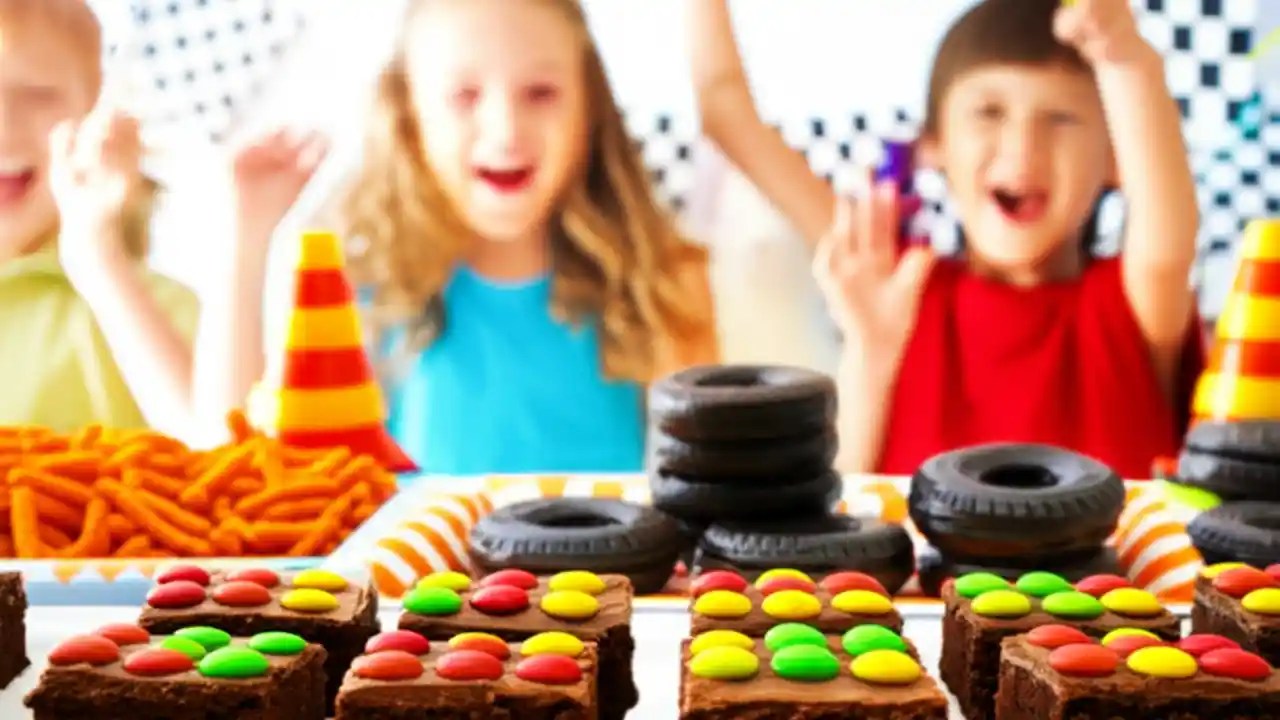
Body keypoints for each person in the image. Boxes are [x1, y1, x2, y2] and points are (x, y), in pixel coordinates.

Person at [201, 0, 718, 475]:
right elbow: (240, 467)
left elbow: (701, 484)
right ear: (409, 115)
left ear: (590, 108)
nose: (506, 130)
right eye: (464, 96)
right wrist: (247, 239)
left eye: (541, 93)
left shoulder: (660, 283)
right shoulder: (364, 290)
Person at [691, 0, 1203, 479]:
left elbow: (1167, 228)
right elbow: (726, 112)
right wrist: (869, 349)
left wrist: (1124, 57)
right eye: (989, 112)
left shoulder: (1134, 303)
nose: (1022, 149)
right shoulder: (894, 289)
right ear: (932, 144)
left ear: (1115, 159)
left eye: (1060, 119)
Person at [0, 0, 198, 434]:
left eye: (38, 95)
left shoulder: (147, 308)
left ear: (93, 117)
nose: (5, 130)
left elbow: (225, 448)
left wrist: (98, 262)